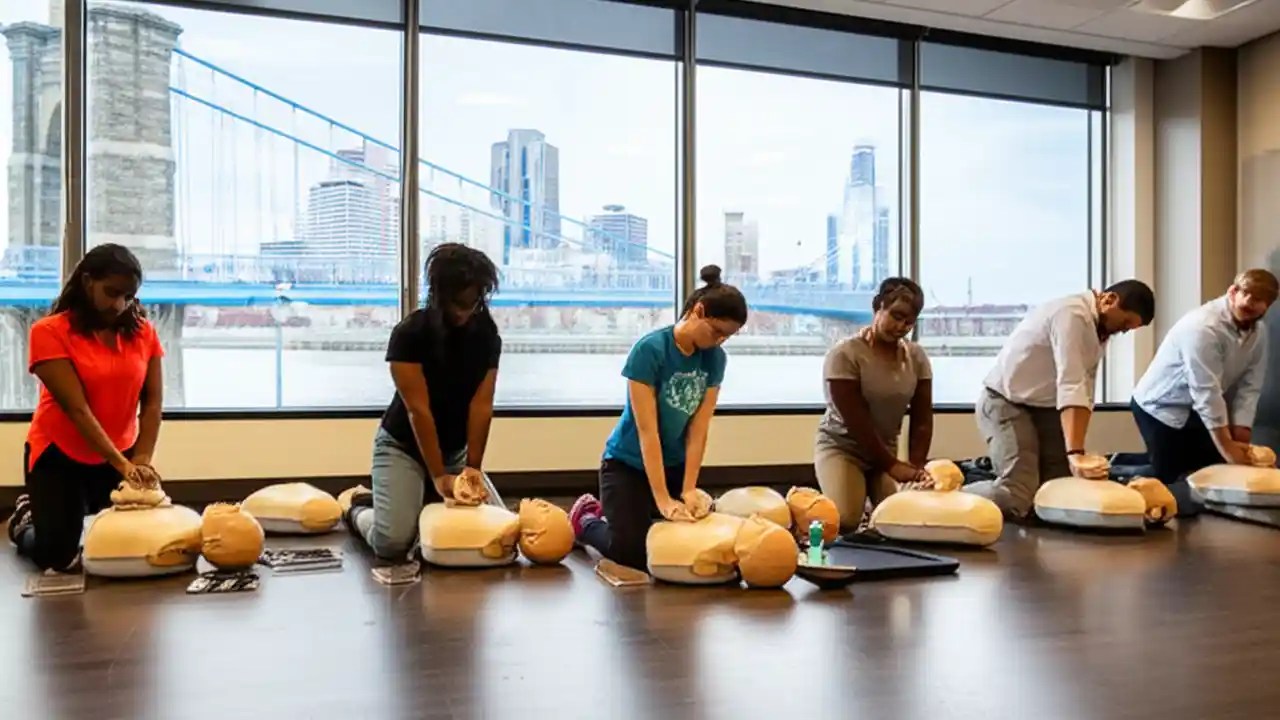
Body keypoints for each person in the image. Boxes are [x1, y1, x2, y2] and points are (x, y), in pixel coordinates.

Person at [568, 266, 747, 571]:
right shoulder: (650, 350)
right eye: (716, 332)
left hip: (674, 465)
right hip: (627, 465)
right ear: (698, 311)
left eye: (727, 337)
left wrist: (689, 489)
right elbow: (647, 431)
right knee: (632, 552)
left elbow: (698, 429)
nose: (719, 341)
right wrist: (664, 499)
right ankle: (585, 520)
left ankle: (645, 512)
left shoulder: (715, 359)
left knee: (692, 544)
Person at [6, 244, 165, 573]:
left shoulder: (144, 334)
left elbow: (152, 403)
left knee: (127, 547)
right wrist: (123, 466)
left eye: (128, 297)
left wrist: (141, 460)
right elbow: (77, 410)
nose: (119, 305)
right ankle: (24, 519)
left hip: (120, 451)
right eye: (111, 292)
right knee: (58, 557)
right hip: (60, 453)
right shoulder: (48, 332)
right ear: (88, 281)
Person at [344, 243, 505, 562]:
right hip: (401, 447)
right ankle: (357, 507)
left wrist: (472, 469)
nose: (465, 313)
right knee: (393, 544)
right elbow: (419, 412)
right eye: (458, 304)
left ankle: (414, 499)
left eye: (473, 303)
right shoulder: (409, 334)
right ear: (440, 295)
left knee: (497, 533)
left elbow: (481, 406)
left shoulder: (486, 335)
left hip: (453, 451)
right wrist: (438, 475)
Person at [964, 280, 1156, 520]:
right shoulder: (1072, 315)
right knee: (1018, 495)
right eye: (1125, 323)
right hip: (1005, 402)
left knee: (1059, 488)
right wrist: (1074, 451)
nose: (1124, 331)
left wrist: (1078, 455)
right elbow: (1071, 382)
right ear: (1109, 300)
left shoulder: (1099, 328)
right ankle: (949, 494)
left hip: (1044, 407)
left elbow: (1084, 393)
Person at [1130, 269, 1278, 514]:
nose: (1251, 303)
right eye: (1247, 295)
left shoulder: (1258, 333)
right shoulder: (1202, 327)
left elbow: (1250, 386)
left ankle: (1134, 464)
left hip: (1198, 409)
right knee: (1168, 479)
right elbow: (1206, 393)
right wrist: (1229, 449)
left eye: (1259, 300)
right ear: (1233, 291)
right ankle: (1118, 470)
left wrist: (1241, 439)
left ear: (1268, 305)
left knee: (1208, 471)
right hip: (1160, 406)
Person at [814, 277, 934, 531]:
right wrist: (892, 466)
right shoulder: (844, 354)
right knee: (846, 519)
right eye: (896, 316)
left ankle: (869, 510)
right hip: (843, 448)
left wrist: (915, 469)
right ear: (879, 306)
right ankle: (806, 508)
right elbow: (856, 421)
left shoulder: (916, 357)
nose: (901, 326)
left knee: (901, 519)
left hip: (886, 450)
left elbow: (922, 419)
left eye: (909, 322)